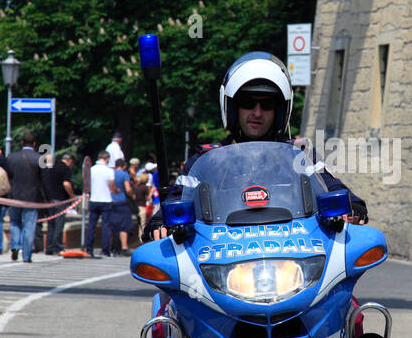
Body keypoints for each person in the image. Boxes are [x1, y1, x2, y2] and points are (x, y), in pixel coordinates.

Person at [143, 52, 366, 241]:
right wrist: (161, 220)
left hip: (293, 252)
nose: (257, 113)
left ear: (279, 112)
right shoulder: (207, 159)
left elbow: (334, 189)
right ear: (232, 108)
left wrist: (351, 207)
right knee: (169, 293)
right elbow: (177, 197)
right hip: (220, 255)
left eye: (267, 105)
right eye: (248, 103)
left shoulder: (300, 155)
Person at [4, 132, 45, 262]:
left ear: (21, 143)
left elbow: (7, 177)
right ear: (34, 144)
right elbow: (43, 180)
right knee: (29, 225)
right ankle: (26, 255)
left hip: (14, 196)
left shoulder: (11, 157)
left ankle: (15, 246)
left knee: (14, 222)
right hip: (32, 198)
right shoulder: (40, 158)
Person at [41, 152, 76, 255]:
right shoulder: (65, 169)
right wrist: (72, 196)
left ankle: (49, 247)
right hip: (60, 200)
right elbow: (66, 183)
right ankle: (57, 247)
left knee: (51, 224)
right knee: (59, 224)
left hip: (51, 200)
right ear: (70, 161)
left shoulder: (52, 167)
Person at [83, 150, 115, 257]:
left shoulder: (91, 169)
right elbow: (112, 186)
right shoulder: (109, 171)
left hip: (94, 199)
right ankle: (105, 250)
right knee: (106, 226)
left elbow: (87, 185)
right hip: (106, 200)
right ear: (107, 159)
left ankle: (89, 249)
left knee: (91, 225)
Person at [110, 157, 135, 255]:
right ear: (124, 166)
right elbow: (128, 189)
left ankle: (111, 247)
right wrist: (133, 196)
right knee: (123, 225)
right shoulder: (124, 174)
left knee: (111, 225)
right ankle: (124, 247)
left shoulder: (110, 173)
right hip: (122, 202)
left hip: (110, 201)